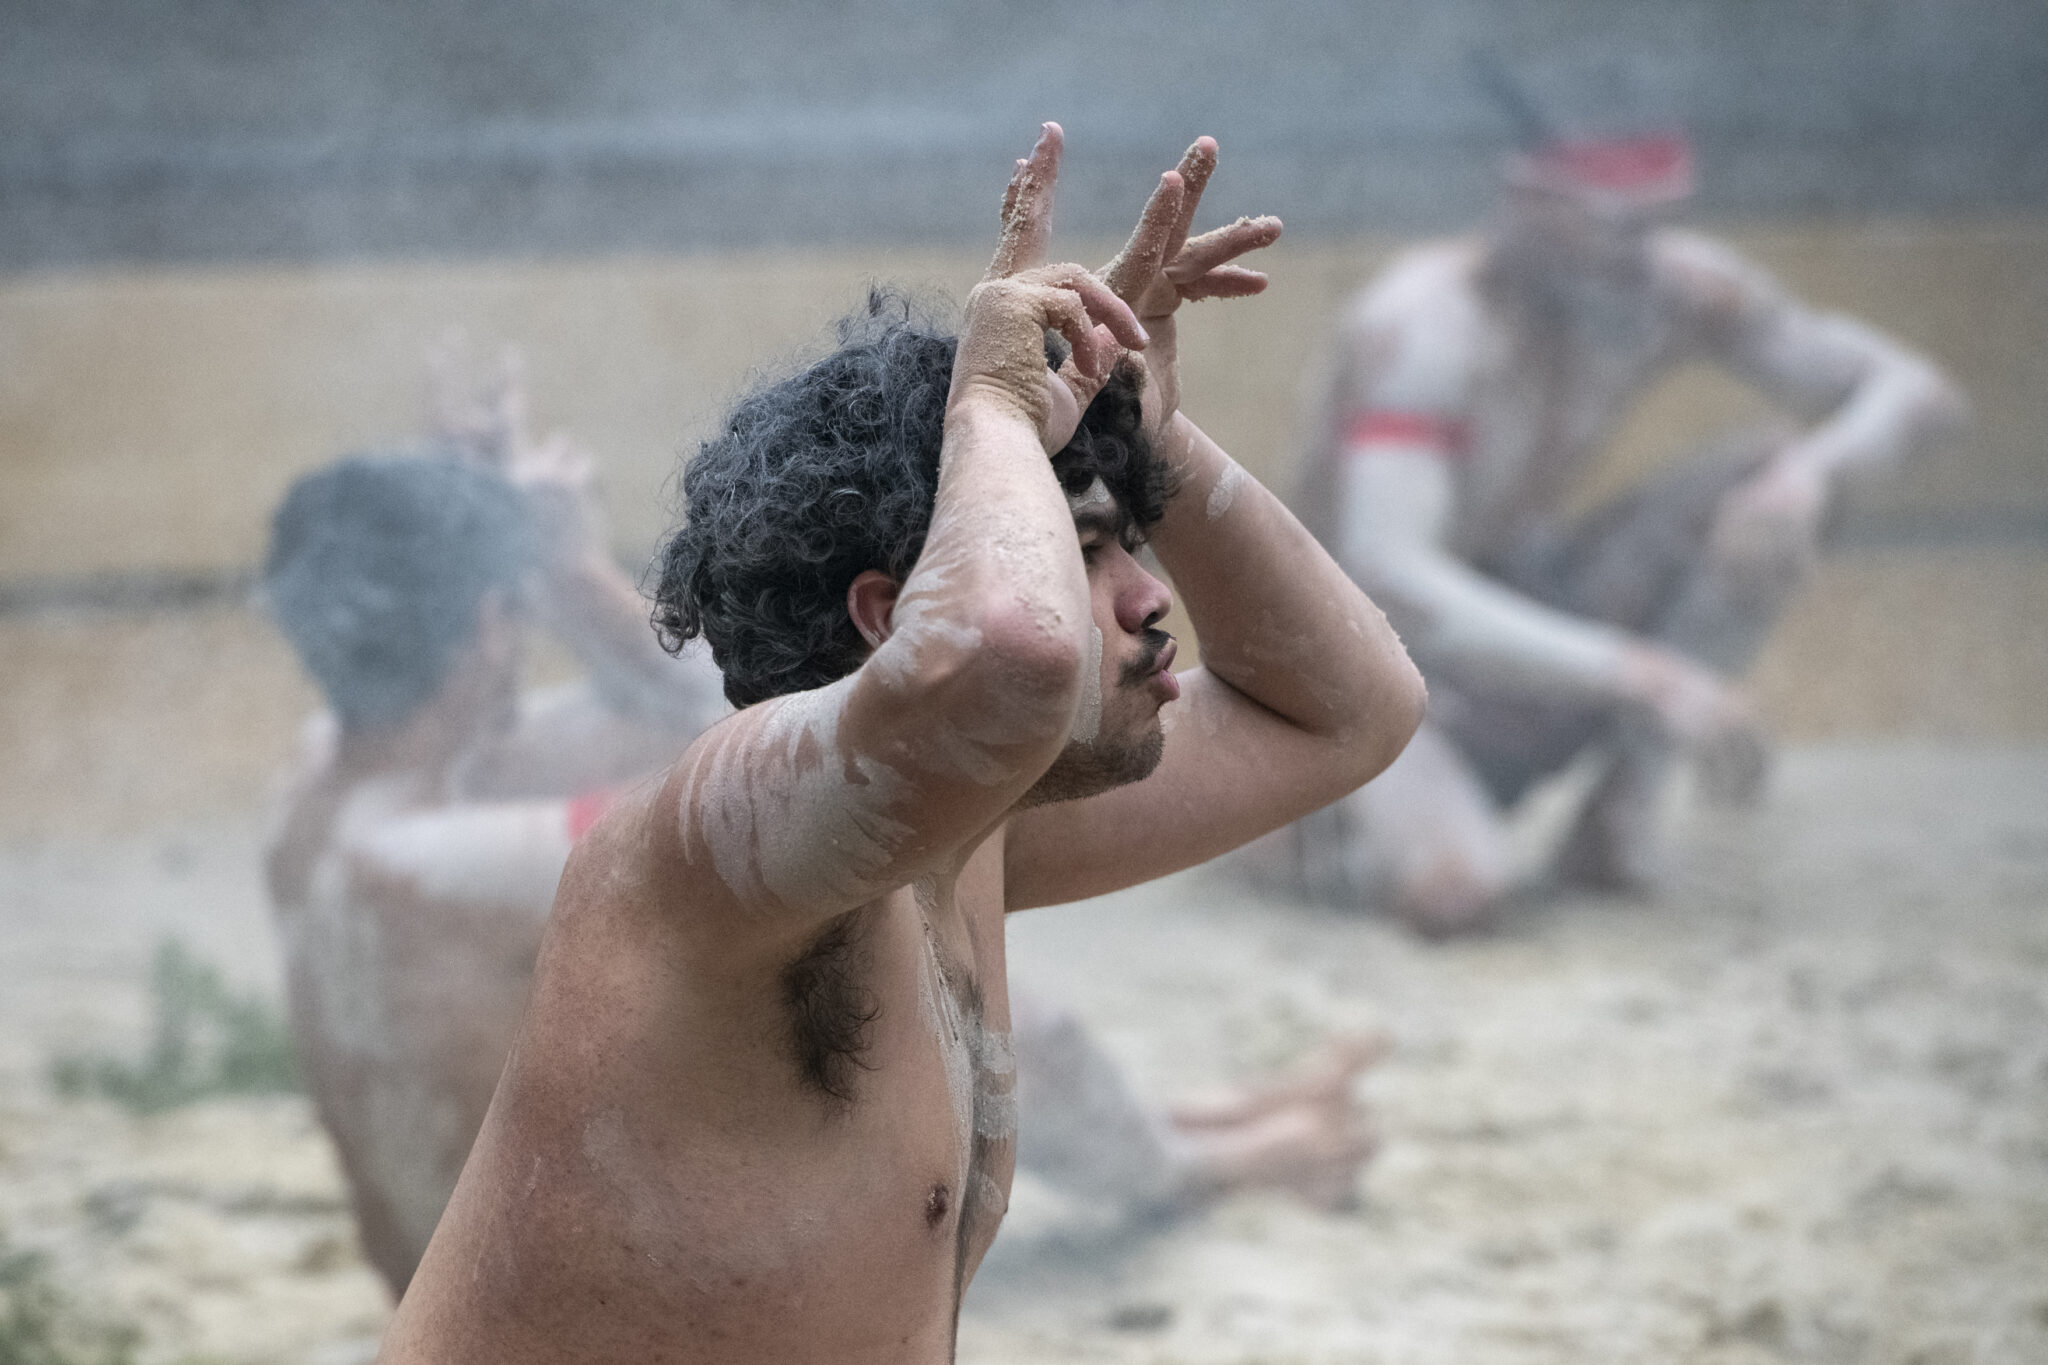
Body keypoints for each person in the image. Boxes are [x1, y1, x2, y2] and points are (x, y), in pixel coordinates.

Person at [378, 125, 1424, 1362]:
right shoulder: (705, 854)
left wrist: (1142, 433)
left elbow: (1350, 709)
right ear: (889, 616)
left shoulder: (970, 834)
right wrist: (987, 407)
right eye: (1085, 549)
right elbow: (1006, 654)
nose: (1152, 602)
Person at [263, 338, 1389, 1302]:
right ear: (490, 628)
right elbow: (744, 744)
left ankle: (1198, 1132)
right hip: (600, 1307)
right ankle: (1201, 1166)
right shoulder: (458, 863)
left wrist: (521, 555)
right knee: (907, 925)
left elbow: (681, 723)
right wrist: (565, 570)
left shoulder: (324, 806)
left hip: (527, 1271)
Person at [1277, 126, 1968, 936]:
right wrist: (1648, 678)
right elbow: (1390, 576)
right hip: (1346, 675)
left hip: (1510, 634)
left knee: (1766, 477)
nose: (1639, 256)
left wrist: (1809, 477)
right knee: (1459, 895)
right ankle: (1325, 829)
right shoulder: (1427, 325)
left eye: (1657, 224)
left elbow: (1922, 395)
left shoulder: (1673, 286)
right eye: (1616, 227)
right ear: (1530, 209)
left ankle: (1618, 821)